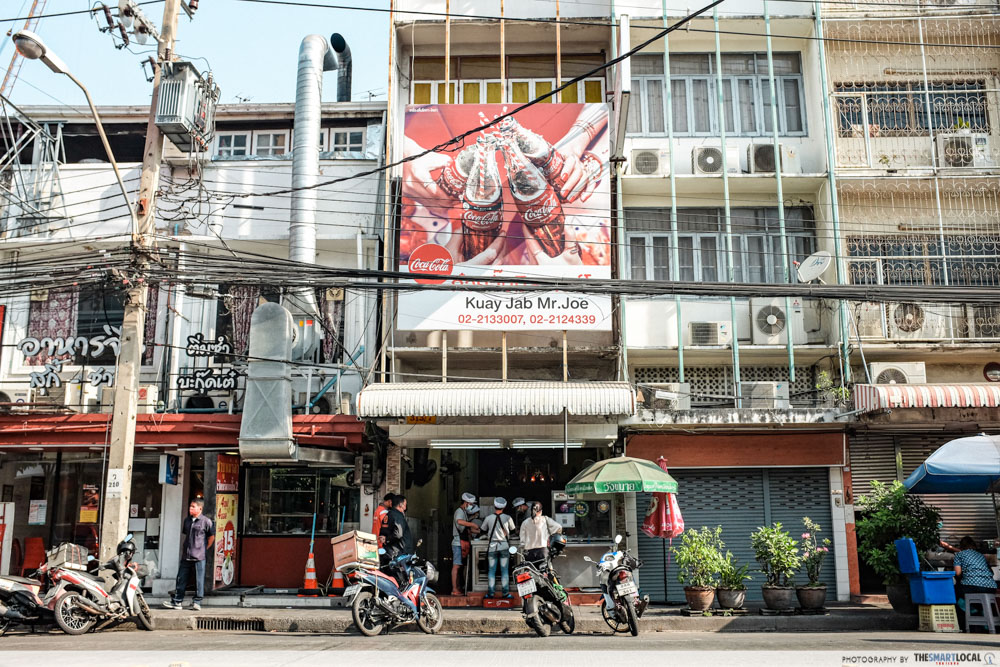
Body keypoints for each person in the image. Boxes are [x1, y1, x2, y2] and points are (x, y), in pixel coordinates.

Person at [163, 499, 215, 611]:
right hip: (186, 555)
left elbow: (211, 537)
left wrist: (204, 549)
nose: (190, 508)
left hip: (199, 556)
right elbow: (186, 535)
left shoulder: (206, 521)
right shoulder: (187, 520)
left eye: (193, 506)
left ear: (200, 508)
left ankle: (197, 602)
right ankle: (178, 601)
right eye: (190, 506)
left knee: (199, 580)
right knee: (181, 578)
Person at [951, 536, 997, 629]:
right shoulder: (980, 555)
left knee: (954, 592)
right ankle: (980, 615)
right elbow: (991, 572)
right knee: (971, 596)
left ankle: (970, 614)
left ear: (961, 546)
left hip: (971, 586)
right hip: (991, 587)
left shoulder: (959, 555)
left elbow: (958, 573)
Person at [479, 497, 516, 599]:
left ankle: (490, 593)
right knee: (504, 571)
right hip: (504, 546)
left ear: (494, 506)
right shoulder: (508, 518)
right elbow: (513, 531)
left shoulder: (488, 518)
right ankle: (505, 593)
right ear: (504, 507)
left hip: (492, 547)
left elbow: (482, 530)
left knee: (491, 571)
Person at [381, 494, 414, 586]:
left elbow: (382, 533)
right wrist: (387, 539)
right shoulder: (398, 516)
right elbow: (398, 534)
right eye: (405, 504)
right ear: (400, 505)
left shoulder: (387, 515)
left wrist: (385, 539)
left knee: (389, 579)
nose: (405, 507)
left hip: (388, 552)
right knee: (401, 581)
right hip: (398, 553)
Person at [451, 492, 480, 595]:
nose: (471, 506)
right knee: (456, 566)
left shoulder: (464, 513)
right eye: (470, 504)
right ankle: (455, 589)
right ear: (466, 503)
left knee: (460, 566)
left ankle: (458, 587)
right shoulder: (459, 512)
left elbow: (467, 530)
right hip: (457, 542)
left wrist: (479, 531)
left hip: (462, 542)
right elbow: (459, 522)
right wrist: (472, 524)